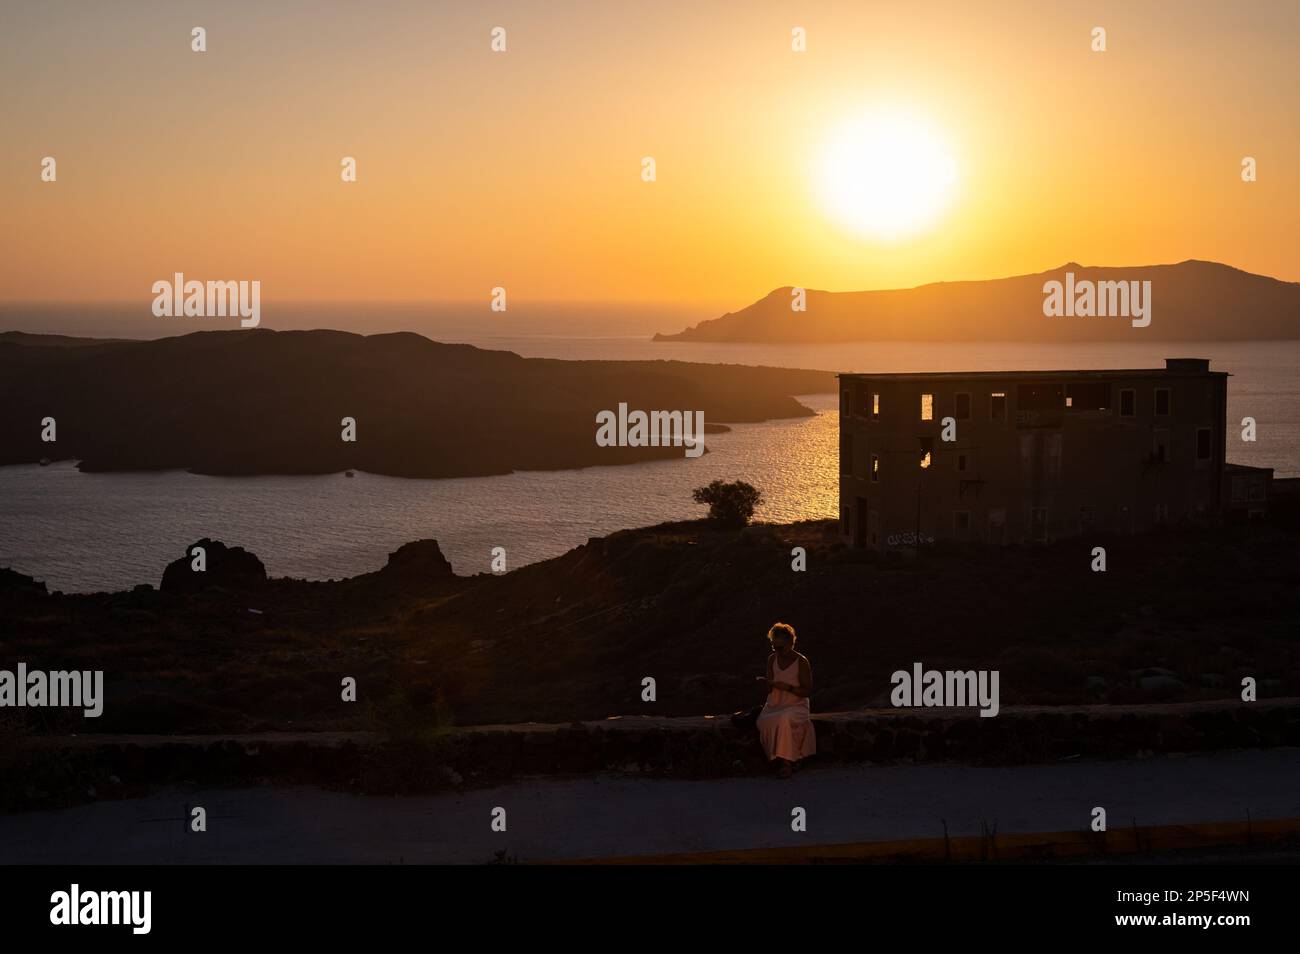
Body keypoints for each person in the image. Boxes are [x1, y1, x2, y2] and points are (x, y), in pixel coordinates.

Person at [755, 622, 815, 778]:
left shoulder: (801, 662)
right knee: (762, 721)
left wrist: (787, 687)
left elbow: (807, 691)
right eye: (774, 647)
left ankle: (786, 763)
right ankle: (782, 758)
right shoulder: (771, 659)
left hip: (796, 706)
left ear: (790, 643)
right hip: (774, 704)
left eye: (780, 647)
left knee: (783, 720)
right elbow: (770, 688)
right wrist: (766, 684)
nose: (777, 651)